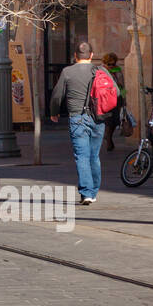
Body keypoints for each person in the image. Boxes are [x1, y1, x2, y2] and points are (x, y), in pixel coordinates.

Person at [50, 41, 104, 206]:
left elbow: (57, 95)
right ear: (92, 55)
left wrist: (54, 112)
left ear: (75, 56)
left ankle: (86, 193)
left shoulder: (67, 72)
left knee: (82, 156)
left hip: (77, 118)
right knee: (94, 156)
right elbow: (115, 91)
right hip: (98, 119)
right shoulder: (100, 70)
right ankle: (93, 192)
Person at [100, 52, 125, 153]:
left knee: (115, 120)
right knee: (109, 119)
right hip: (105, 98)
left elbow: (122, 84)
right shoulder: (101, 70)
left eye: (113, 64)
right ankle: (108, 138)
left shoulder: (117, 70)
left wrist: (124, 98)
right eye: (109, 64)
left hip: (117, 97)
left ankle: (108, 136)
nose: (111, 66)